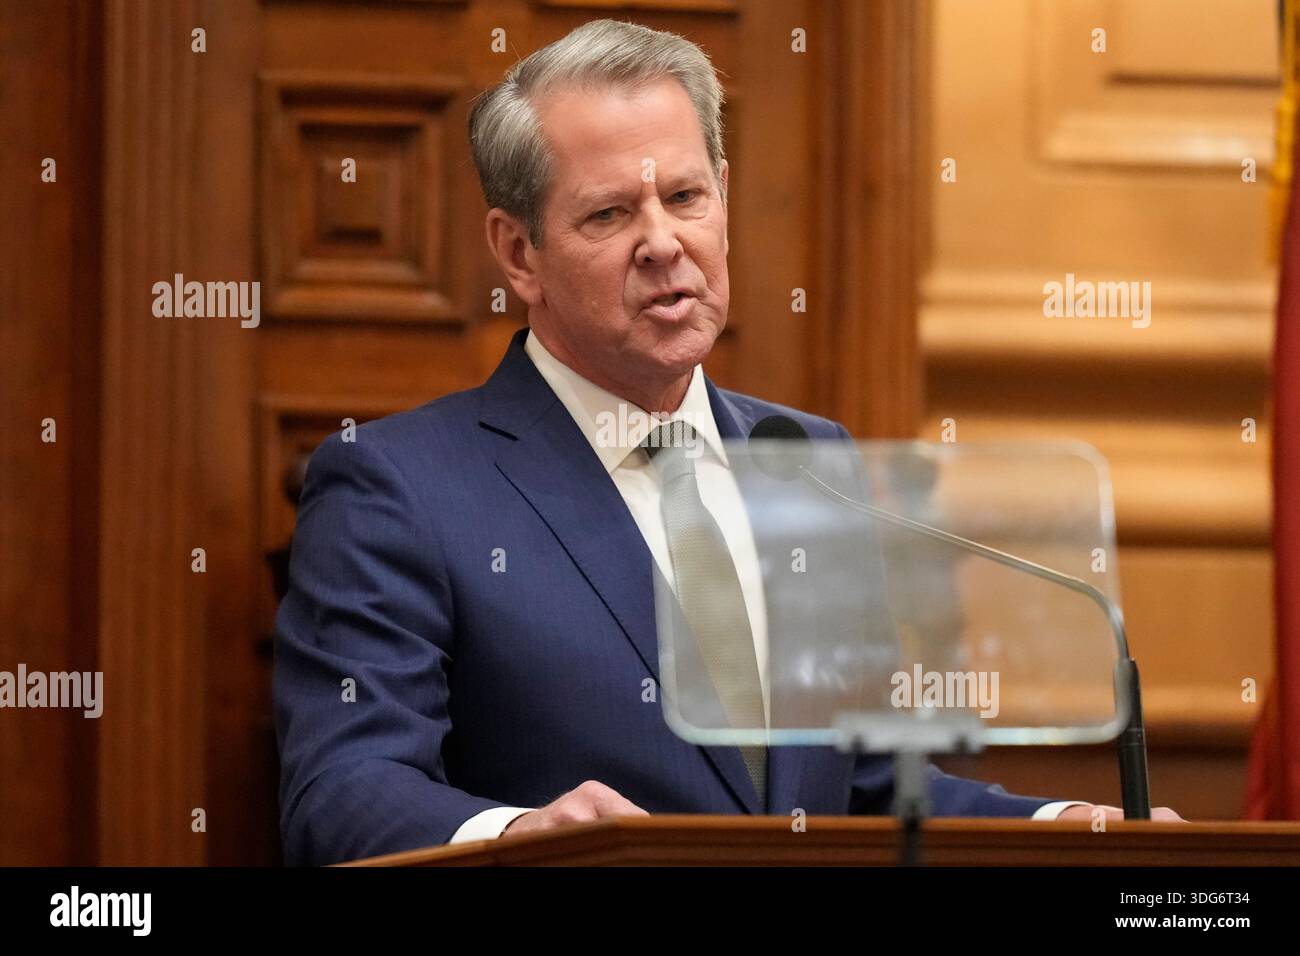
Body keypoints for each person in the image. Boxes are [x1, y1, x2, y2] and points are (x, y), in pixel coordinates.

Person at [273, 19, 1179, 866]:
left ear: (725, 200)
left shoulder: (805, 461)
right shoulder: (400, 489)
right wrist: (524, 836)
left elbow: (857, 786)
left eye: (683, 196)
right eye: (608, 216)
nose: (663, 243)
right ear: (519, 256)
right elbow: (341, 789)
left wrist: (1063, 827)